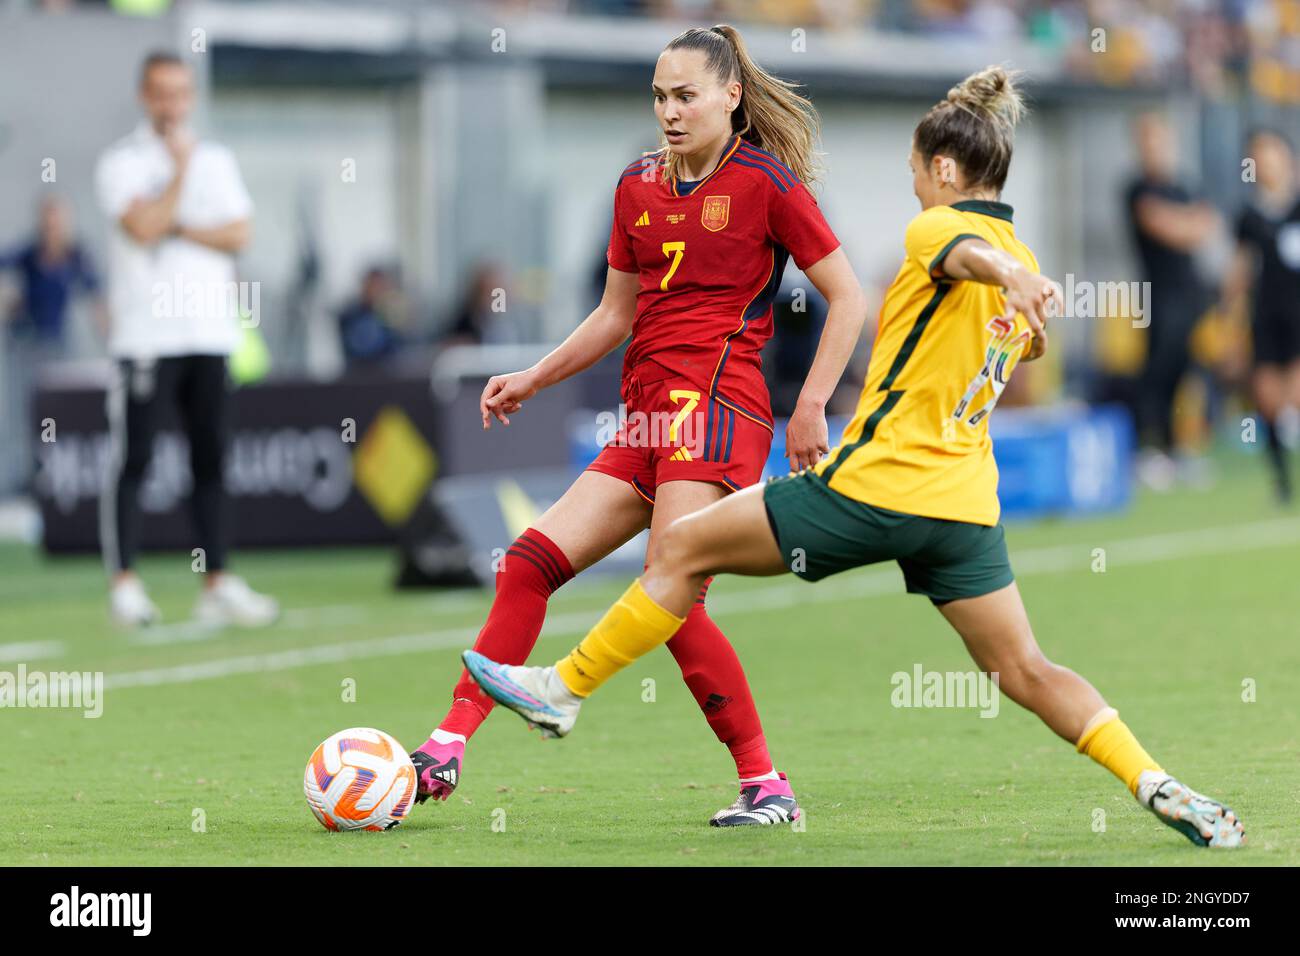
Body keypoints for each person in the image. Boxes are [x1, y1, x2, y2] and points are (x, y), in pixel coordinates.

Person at [463, 67, 1246, 848]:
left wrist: (1009, 275)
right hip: (964, 511)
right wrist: (1023, 286)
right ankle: (1158, 780)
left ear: (944, 170)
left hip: (874, 487)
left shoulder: (942, 231)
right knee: (1028, 671)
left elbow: (967, 252)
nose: (911, 190)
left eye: (912, 171)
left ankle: (562, 688)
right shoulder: (1021, 249)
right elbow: (1016, 336)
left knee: (677, 549)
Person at [409, 24, 868, 827]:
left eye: (686, 95)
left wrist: (810, 404)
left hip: (720, 412)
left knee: (670, 588)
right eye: (659, 95)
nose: (669, 110)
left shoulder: (770, 185)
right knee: (528, 564)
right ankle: (447, 746)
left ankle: (765, 784)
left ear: (730, 96)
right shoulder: (636, 187)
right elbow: (614, 314)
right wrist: (533, 376)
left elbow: (850, 297)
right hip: (647, 421)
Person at [94, 51, 277, 629]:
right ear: (144, 97)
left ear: (191, 96)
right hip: (148, 335)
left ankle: (216, 580)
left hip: (209, 332)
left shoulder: (216, 159)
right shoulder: (122, 162)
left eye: (180, 92)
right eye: (160, 93)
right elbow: (141, 227)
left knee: (211, 461)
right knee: (136, 459)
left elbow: (240, 232)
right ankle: (124, 582)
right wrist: (176, 176)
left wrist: (176, 222)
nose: (171, 104)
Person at [1125, 113, 1219, 489]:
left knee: (1189, 372)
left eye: (1161, 140)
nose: (1156, 149)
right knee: (1157, 372)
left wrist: (1187, 224)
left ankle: (1182, 449)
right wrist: (1187, 224)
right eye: (1148, 141)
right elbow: (1169, 227)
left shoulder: (1185, 185)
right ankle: (1150, 450)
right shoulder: (1136, 189)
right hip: (1157, 296)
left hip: (1193, 294)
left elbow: (1205, 226)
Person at [0, 196, 104, 491]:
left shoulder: (75, 255)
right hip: (24, 342)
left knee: (58, 412)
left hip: (58, 343)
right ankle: (24, 477)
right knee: (22, 410)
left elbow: (95, 295)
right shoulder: (27, 254)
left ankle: (54, 473)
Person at [1222, 128, 1300, 503]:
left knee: (1296, 396)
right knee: (1268, 401)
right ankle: (1282, 483)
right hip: (1267, 318)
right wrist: (1228, 320)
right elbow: (1239, 271)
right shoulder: (1250, 216)